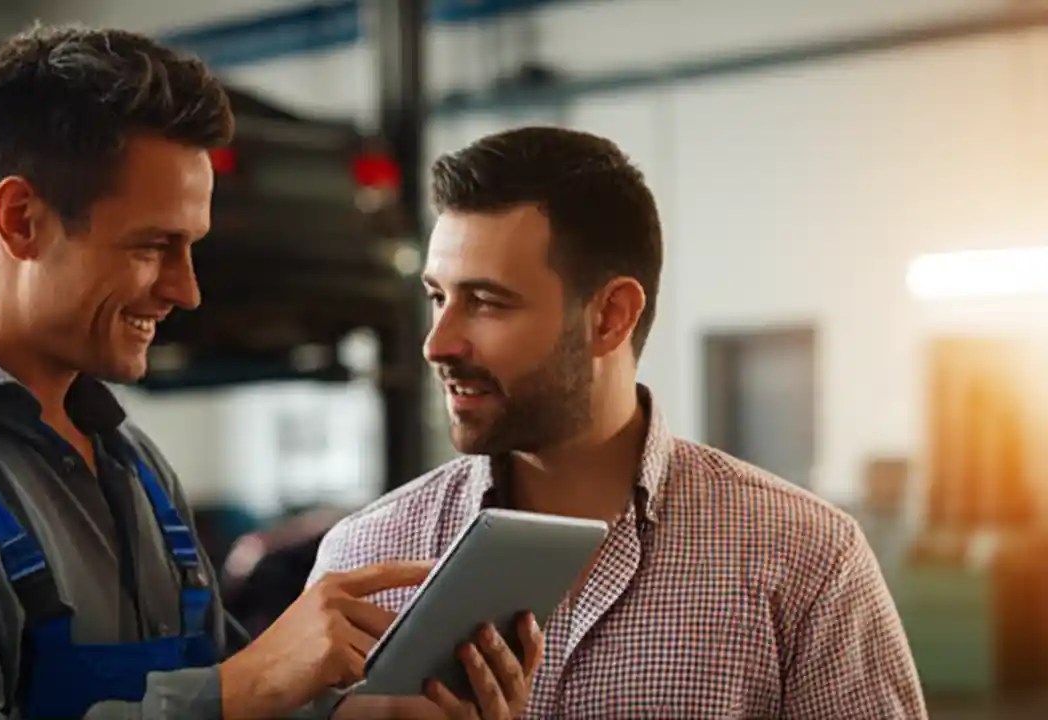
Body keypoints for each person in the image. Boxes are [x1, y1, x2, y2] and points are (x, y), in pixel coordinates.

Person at [0, 25, 541, 720]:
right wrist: (238, 693)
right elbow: (231, 695)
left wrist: (373, 713)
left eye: (190, 247)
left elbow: (234, 696)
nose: (186, 289)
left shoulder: (132, 468)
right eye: (151, 246)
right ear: (21, 221)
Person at [308, 126, 928, 718]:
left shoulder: (804, 560)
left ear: (610, 317)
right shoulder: (365, 560)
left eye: (487, 302)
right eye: (438, 298)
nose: (437, 344)